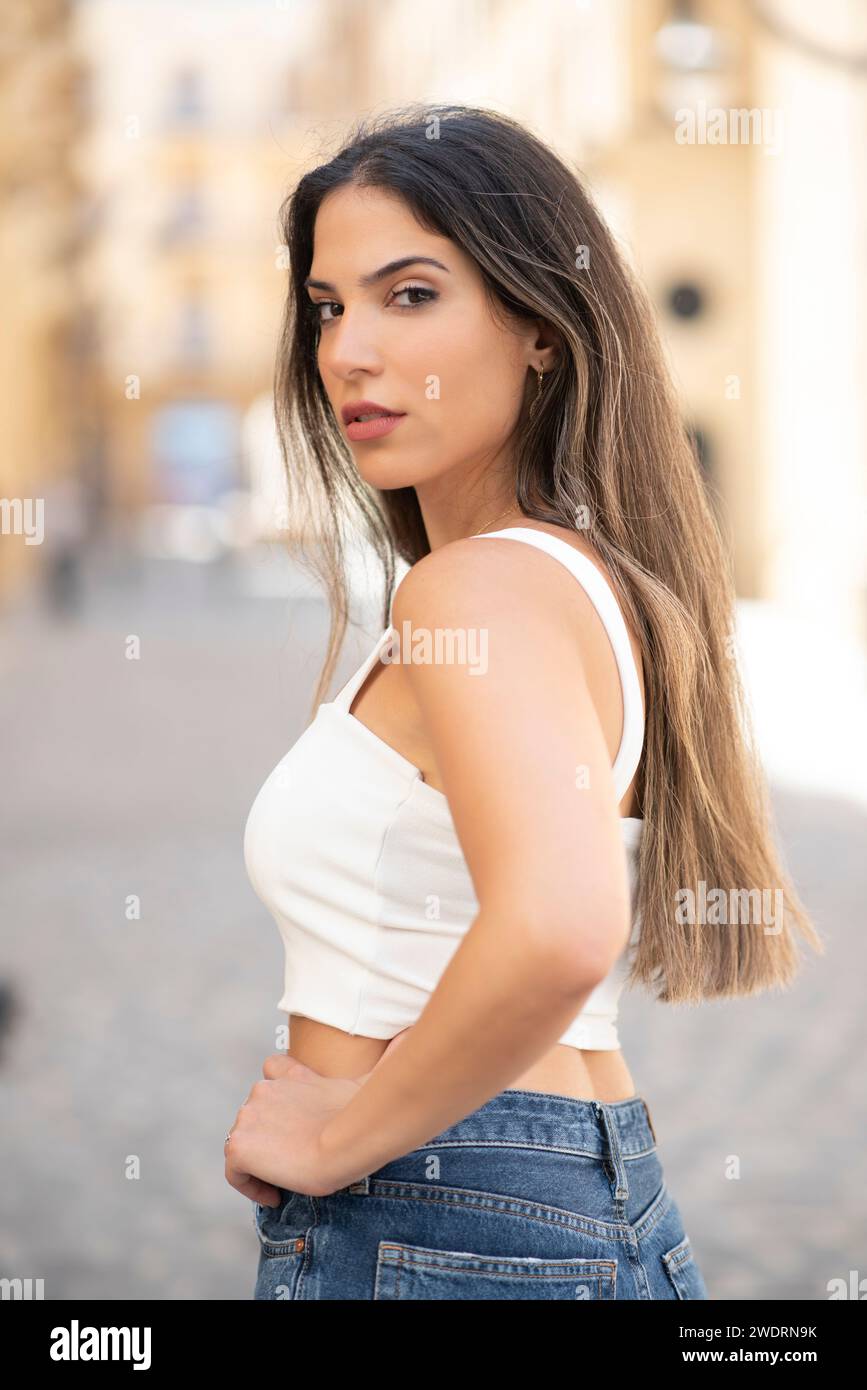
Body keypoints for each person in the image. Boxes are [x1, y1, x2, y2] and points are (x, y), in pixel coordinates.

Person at [230, 103, 822, 1300]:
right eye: (328, 307)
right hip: (527, 1196)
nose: (347, 352)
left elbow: (559, 924)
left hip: (448, 1209)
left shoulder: (483, 590)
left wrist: (339, 1139)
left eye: (409, 295)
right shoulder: (557, 579)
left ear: (540, 325)